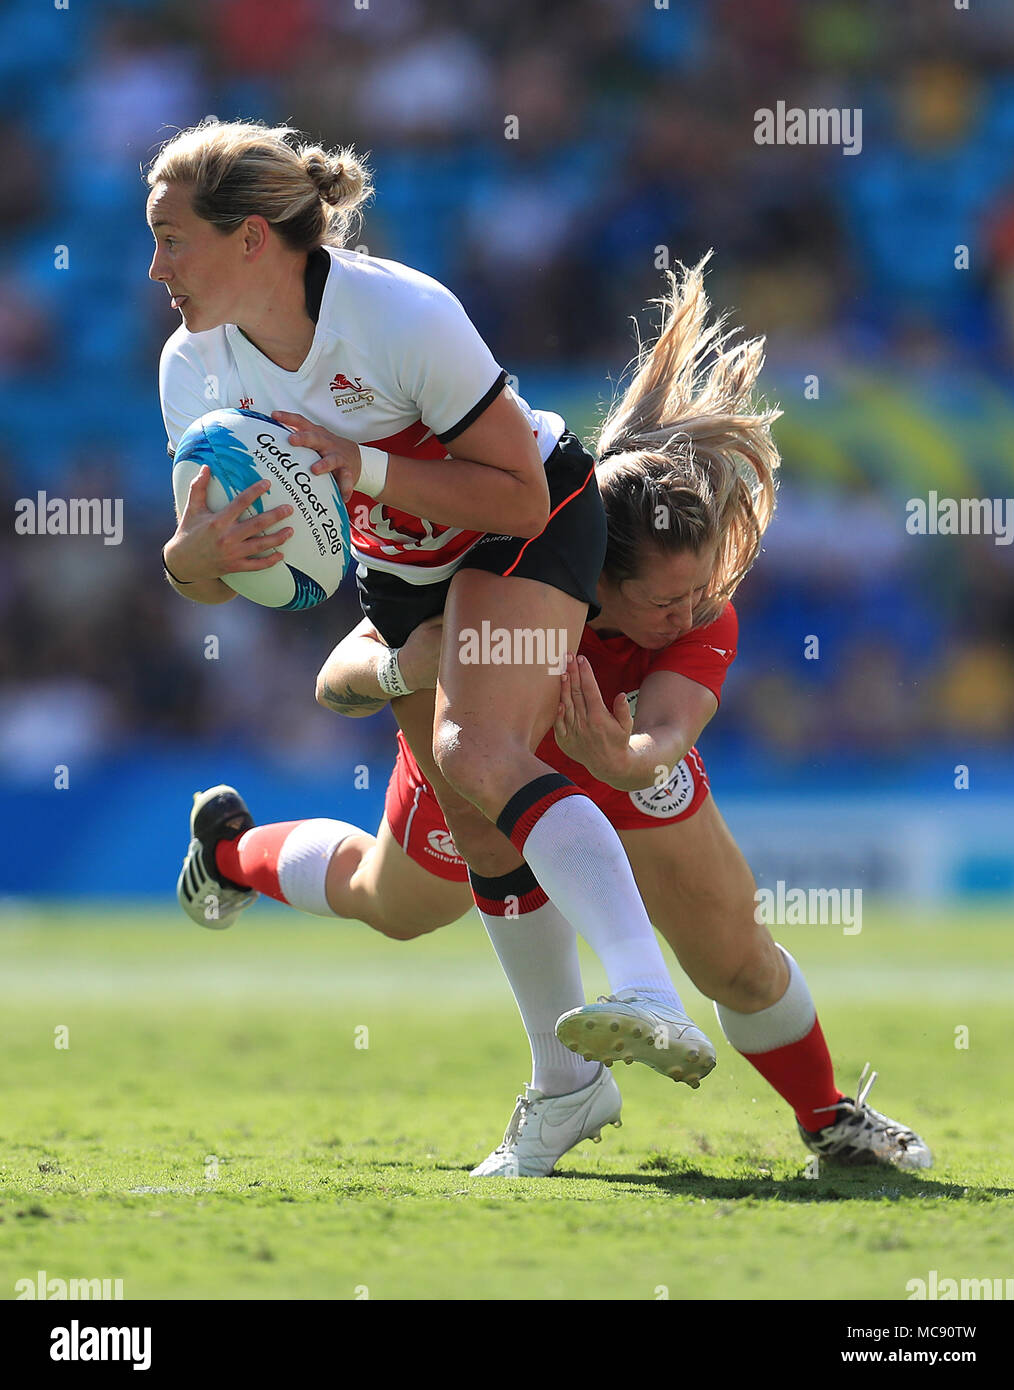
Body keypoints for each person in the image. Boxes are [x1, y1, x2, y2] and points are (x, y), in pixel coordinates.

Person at [174, 254, 932, 1178]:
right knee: (394, 904)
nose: (693, 613)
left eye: (701, 594)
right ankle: (228, 854)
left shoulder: (701, 616)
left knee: (736, 959)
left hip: (612, 762)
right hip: (489, 766)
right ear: (589, 582)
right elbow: (335, 682)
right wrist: (402, 662)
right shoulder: (493, 592)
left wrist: (629, 756)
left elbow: (669, 731)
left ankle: (830, 1121)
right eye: (666, 600)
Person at [149, 117, 714, 1088]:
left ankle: (628, 1012)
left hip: (530, 523)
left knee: (478, 754)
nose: (155, 264)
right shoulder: (191, 369)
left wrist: (360, 462)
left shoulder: (398, 315)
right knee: (403, 896)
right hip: (408, 581)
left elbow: (520, 494)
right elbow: (210, 575)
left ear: (250, 238)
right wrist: (189, 555)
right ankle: (232, 853)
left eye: (171, 236)